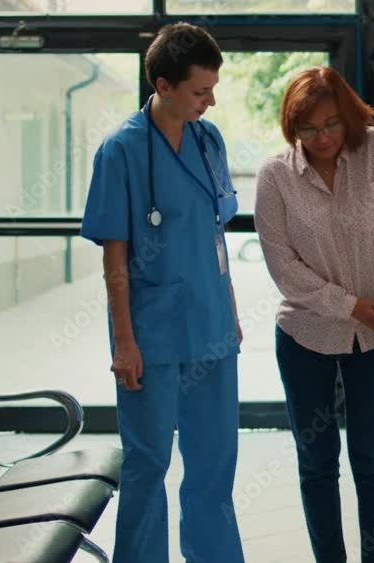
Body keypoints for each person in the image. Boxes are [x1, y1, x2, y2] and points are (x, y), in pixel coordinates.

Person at [80, 23, 245, 563]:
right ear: (163, 85)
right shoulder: (120, 151)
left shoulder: (209, 140)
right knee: (148, 461)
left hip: (211, 325)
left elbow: (215, 236)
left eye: (212, 89)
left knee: (214, 463)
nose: (210, 101)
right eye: (200, 91)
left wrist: (231, 310)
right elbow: (115, 258)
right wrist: (123, 342)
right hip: (151, 332)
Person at [254, 67, 374, 563]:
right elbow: (284, 268)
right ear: (292, 127)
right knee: (317, 463)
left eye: (331, 124)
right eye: (307, 128)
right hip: (304, 334)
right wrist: (351, 307)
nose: (321, 137)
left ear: (348, 116)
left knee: (373, 460)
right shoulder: (275, 175)